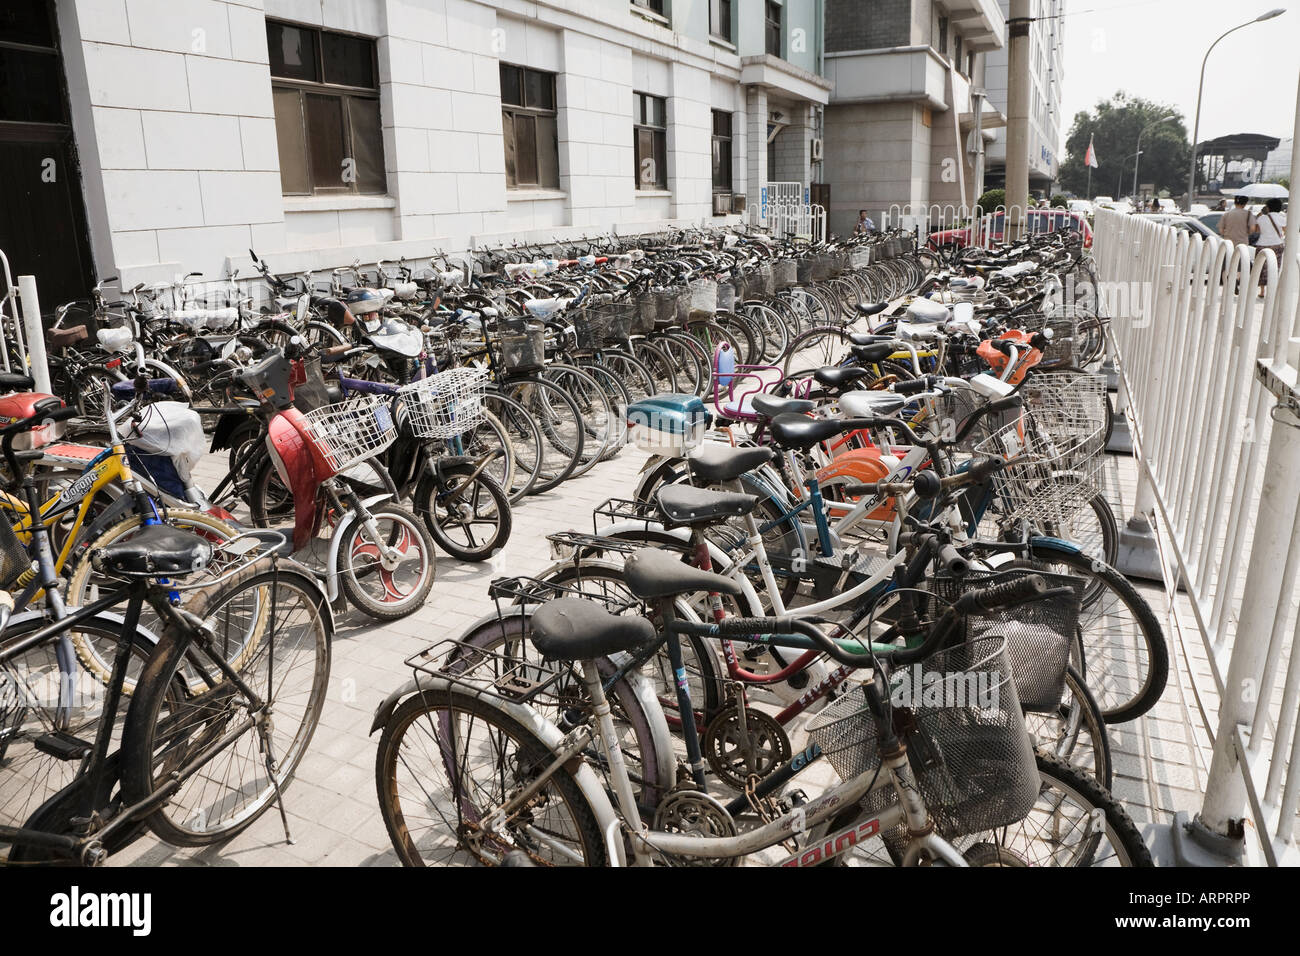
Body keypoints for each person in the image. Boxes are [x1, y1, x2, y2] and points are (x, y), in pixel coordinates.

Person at [1252, 197, 1287, 297]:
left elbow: (1257, 230)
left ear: (1268, 207)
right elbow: (1285, 230)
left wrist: (1260, 214)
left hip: (1262, 245)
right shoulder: (1282, 218)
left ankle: (1262, 291)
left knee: (1262, 268)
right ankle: (1272, 290)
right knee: (1275, 267)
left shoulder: (1262, 218)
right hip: (1277, 245)